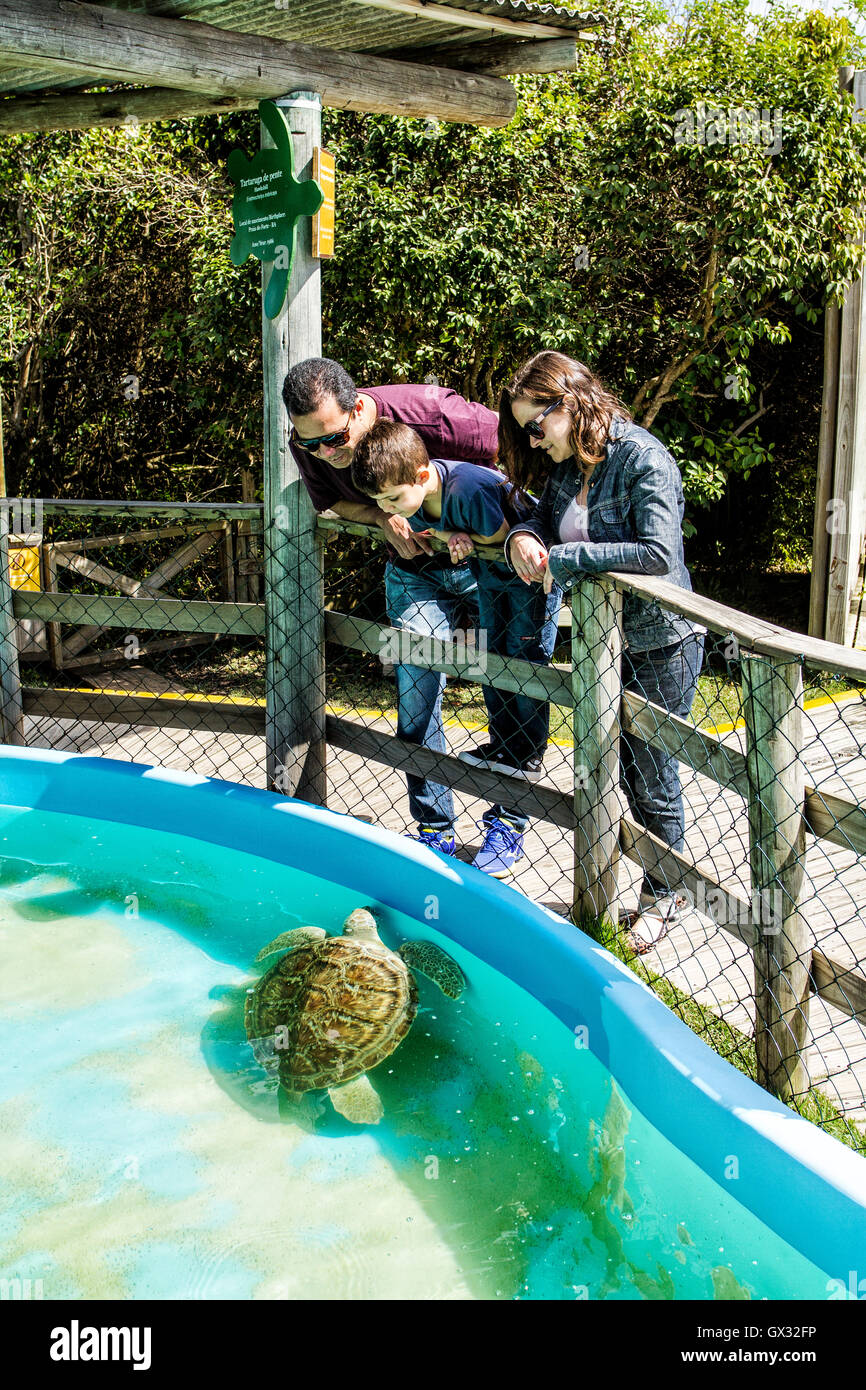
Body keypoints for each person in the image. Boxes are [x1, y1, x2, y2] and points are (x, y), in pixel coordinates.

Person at [498, 350, 706, 952]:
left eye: (536, 426)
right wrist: (522, 540)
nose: (533, 443)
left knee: (652, 772)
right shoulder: (567, 467)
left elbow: (659, 554)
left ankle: (667, 893)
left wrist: (562, 559)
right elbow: (535, 520)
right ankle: (618, 884)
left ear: (573, 404)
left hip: (660, 639)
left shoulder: (644, 457)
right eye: (523, 431)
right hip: (599, 642)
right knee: (605, 763)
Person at [282, 356, 499, 859]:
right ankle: (434, 830)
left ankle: (505, 825)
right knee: (417, 692)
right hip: (414, 574)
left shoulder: (436, 417)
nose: (323, 453)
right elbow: (334, 502)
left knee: (506, 689)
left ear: (358, 409)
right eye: (309, 443)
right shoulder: (309, 442)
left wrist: (471, 517)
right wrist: (382, 515)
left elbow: (517, 454)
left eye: (333, 439)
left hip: (488, 566)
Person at [351, 418, 562, 877]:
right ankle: (442, 823)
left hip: (526, 583)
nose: (388, 510)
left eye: (391, 499)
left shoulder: (464, 488)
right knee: (493, 674)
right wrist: (449, 536)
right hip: (494, 582)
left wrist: (458, 537)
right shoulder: (418, 498)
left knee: (522, 681)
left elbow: (508, 535)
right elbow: (442, 534)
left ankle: (511, 803)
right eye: (380, 502)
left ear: (422, 477)